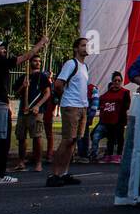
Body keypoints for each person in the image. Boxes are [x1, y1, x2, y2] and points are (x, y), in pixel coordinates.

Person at [0, 29, 48, 188]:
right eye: (2, 49)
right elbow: (27, 56)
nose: (4, 50)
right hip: (0, 106)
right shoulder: (3, 63)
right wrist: (41, 43)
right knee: (3, 141)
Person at [47, 36, 92, 187]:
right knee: (67, 139)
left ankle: (64, 172)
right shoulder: (70, 64)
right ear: (76, 48)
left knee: (74, 140)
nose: (86, 48)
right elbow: (59, 84)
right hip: (71, 106)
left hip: (82, 106)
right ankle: (54, 174)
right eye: (83, 45)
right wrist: (64, 98)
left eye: (87, 45)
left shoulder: (85, 67)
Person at [12, 56, 51, 173]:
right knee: (21, 137)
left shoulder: (42, 77)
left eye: (39, 61)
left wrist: (38, 105)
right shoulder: (24, 77)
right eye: (35, 61)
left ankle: (38, 162)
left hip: (36, 112)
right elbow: (16, 94)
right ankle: (21, 161)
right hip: (23, 111)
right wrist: (23, 86)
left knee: (37, 137)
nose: (38, 63)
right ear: (29, 63)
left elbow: (47, 93)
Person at [95, 72, 131, 163]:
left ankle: (119, 154)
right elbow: (101, 102)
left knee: (119, 137)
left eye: (119, 80)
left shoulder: (125, 92)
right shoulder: (107, 94)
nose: (117, 82)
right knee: (110, 138)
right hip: (109, 120)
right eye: (115, 80)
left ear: (121, 81)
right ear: (112, 81)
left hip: (120, 119)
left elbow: (127, 105)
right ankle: (109, 154)